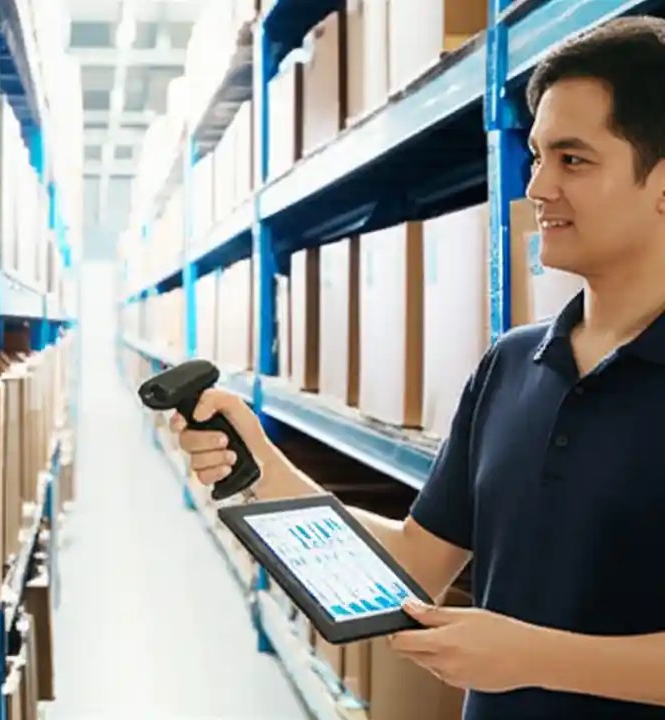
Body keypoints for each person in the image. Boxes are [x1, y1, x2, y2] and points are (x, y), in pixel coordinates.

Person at [170, 16, 665, 720]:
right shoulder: (511, 366)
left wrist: (531, 657)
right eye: (536, 156)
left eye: (573, 160)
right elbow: (413, 565)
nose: (537, 186)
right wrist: (265, 469)